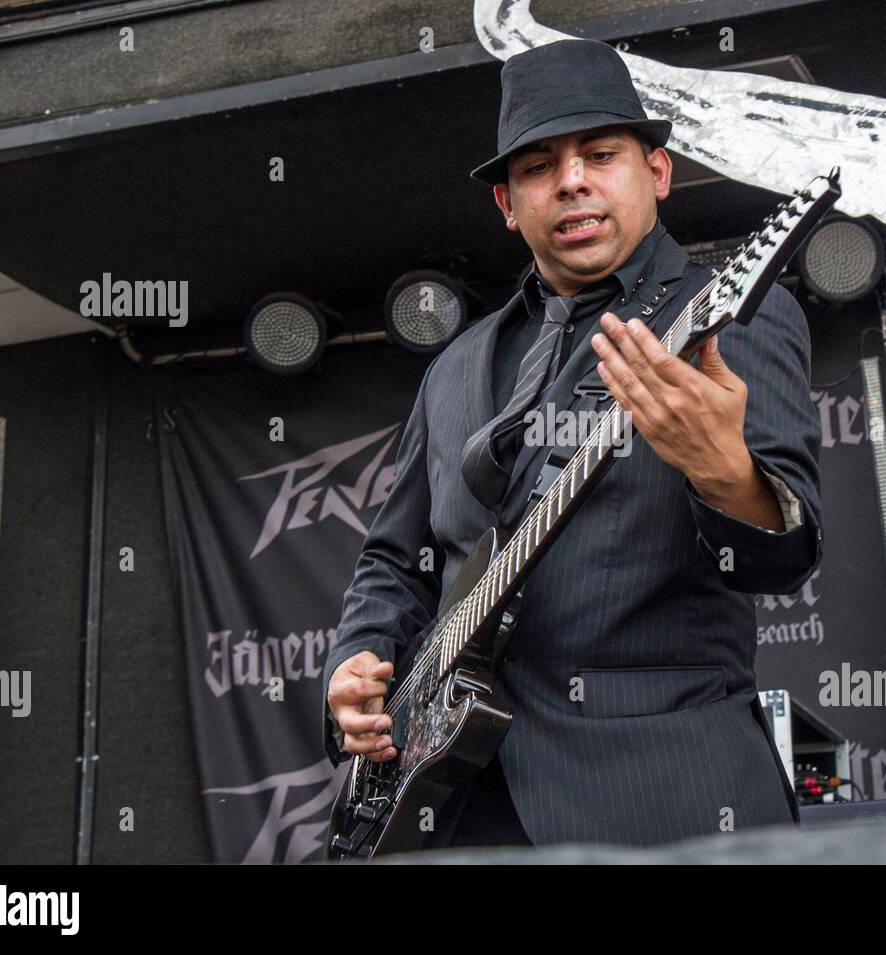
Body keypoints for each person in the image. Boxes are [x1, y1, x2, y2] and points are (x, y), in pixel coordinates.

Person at [324, 38, 824, 849]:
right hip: (449, 800)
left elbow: (785, 556)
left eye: (601, 153)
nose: (572, 181)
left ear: (656, 172)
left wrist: (724, 471)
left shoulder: (729, 319)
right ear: (508, 203)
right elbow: (393, 560)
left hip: (663, 799)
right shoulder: (454, 367)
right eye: (537, 166)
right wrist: (356, 664)